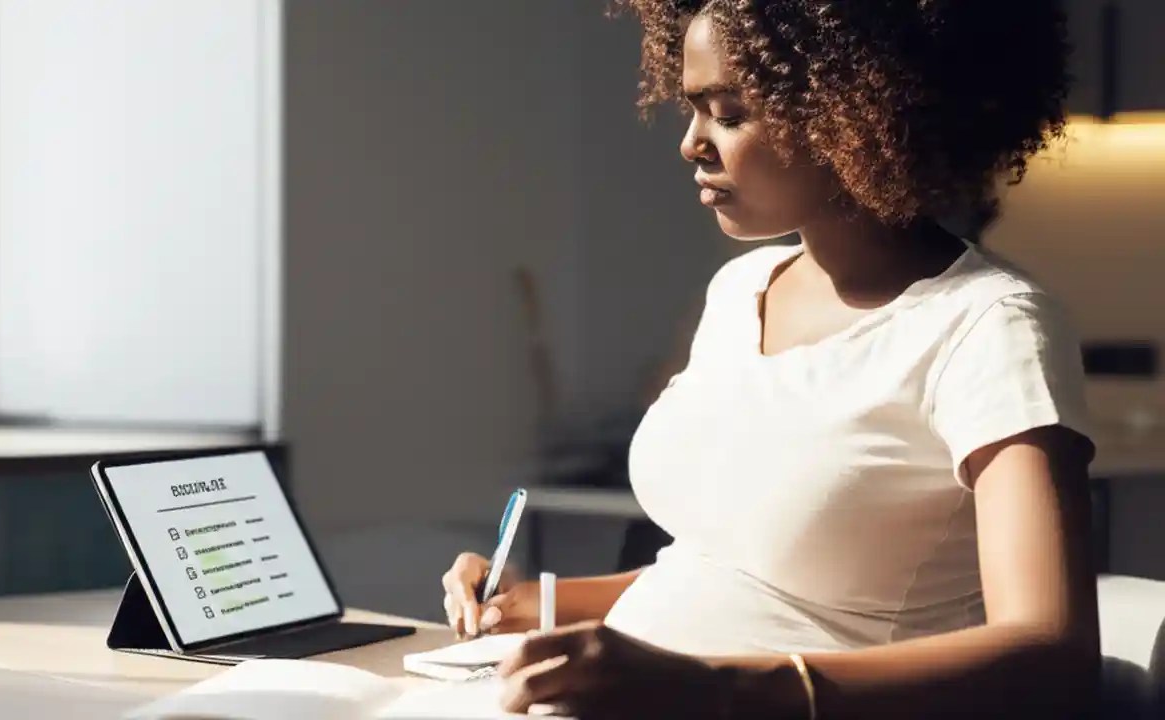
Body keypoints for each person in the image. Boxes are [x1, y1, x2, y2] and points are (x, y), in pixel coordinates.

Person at [441, 1, 1099, 718]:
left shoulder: (988, 325)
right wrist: (541, 602)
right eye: (692, 109)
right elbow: (728, 571)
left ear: (852, 111)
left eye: (728, 112)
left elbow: (1052, 656)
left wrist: (717, 688)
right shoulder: (741, 290)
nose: (692, 144)